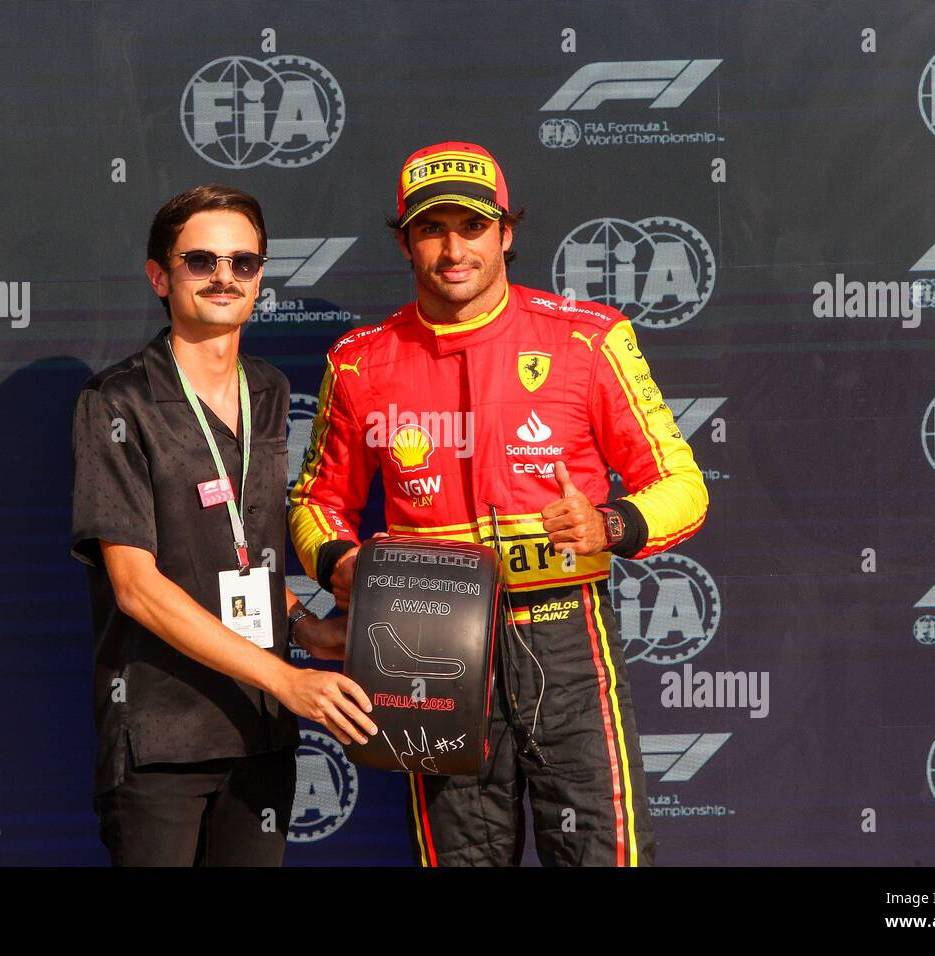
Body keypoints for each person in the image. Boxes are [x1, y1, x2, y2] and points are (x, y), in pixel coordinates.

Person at [289, 143, 708, 866]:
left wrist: (610, 524)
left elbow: (682, 485)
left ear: (506, 233)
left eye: (473, 226)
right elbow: (315, 500)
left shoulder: (586, 339)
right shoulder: (360, 362)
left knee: (599, 857)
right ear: (405, 242)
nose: (454, 249)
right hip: (433, 644)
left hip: (564, 634)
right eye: (432, 229)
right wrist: (340, 565)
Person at [71, 184, 377, 867]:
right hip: (161, 737)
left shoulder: (268, 390)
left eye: (243, 263)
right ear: (160, 275)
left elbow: (250, 553)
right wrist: (288, 681)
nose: (224, 276)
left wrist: (306, 630)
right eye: (201, 260)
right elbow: (136, 588)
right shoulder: (116, 400)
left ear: (261, 276)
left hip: (260, 734)